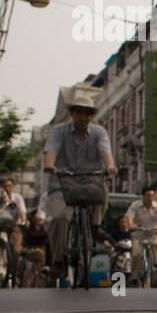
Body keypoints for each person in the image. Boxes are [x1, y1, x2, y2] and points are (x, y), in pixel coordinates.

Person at [42, 92, 117, 276]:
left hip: (90, 180)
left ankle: (95, 226)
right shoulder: (59, 131)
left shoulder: (99, 132)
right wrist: (50, 165)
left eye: (88, 113)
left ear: (92, 115)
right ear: (72, 113)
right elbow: (50, 149)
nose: (84, 116)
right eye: (80, 112)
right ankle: (58, 261)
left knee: (102, 190)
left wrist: (110, 166)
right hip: (63, 183)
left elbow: (105, 152)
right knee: (60, 219)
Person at [125, 185, 157, 288]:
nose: (150, 198)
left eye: (152, 196)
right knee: (136, 254)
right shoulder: (135, 205)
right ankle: (134, 277)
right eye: (148, 195)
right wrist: (131, 225)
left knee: (155, 253)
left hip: (154, 233)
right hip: (139, 234)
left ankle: (156, 274)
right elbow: (129, 218)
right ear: (143, 196)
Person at [0, 177, 29, 256]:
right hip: (0, 225)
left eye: (9, 186)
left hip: (14, 224)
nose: (7, 188)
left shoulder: (18, 198)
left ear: (13, 187)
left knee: (16, 248)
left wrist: (24, 220)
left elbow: (22, 211)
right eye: (5, 186)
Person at [20, 210, 49, 287]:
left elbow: (47, 241)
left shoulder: (45, 229)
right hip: (30, 250)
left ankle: (37, 284)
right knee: (28, 269)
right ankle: (26, 286)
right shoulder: (29, 229)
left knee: (39, 270)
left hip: (41, 250)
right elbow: (25, 241)